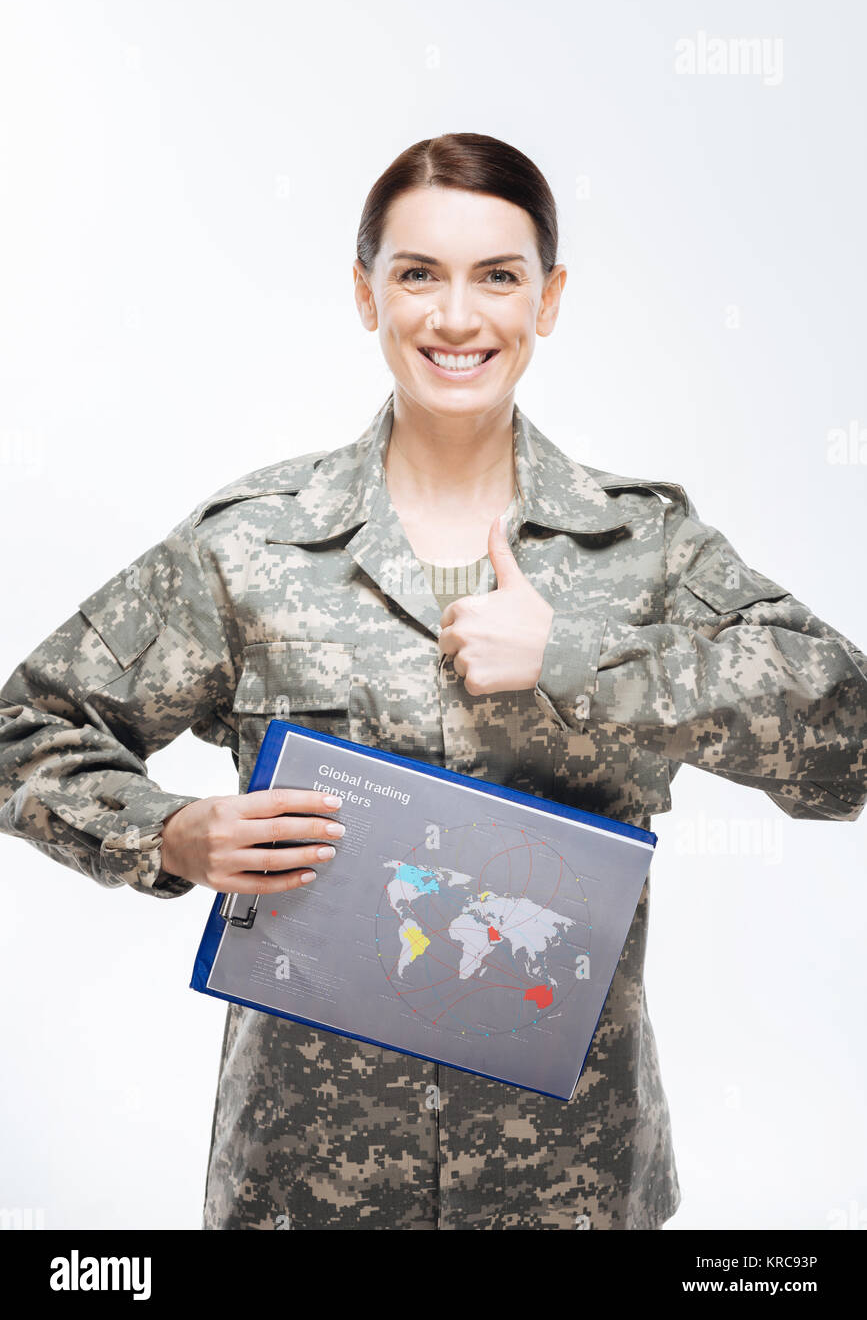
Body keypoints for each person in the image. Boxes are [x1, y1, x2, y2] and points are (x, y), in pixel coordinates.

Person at [1, 132, 865, 1232]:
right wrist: (166, 832)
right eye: (418, 274)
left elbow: (850, 734)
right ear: (367, 296)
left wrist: (575, 660)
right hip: (306, 1187)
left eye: (497, 276)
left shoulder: (645, 548)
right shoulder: (253, 546)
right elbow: (24, 727)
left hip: (569, 1189)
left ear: (548, 300)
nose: (457, 317)